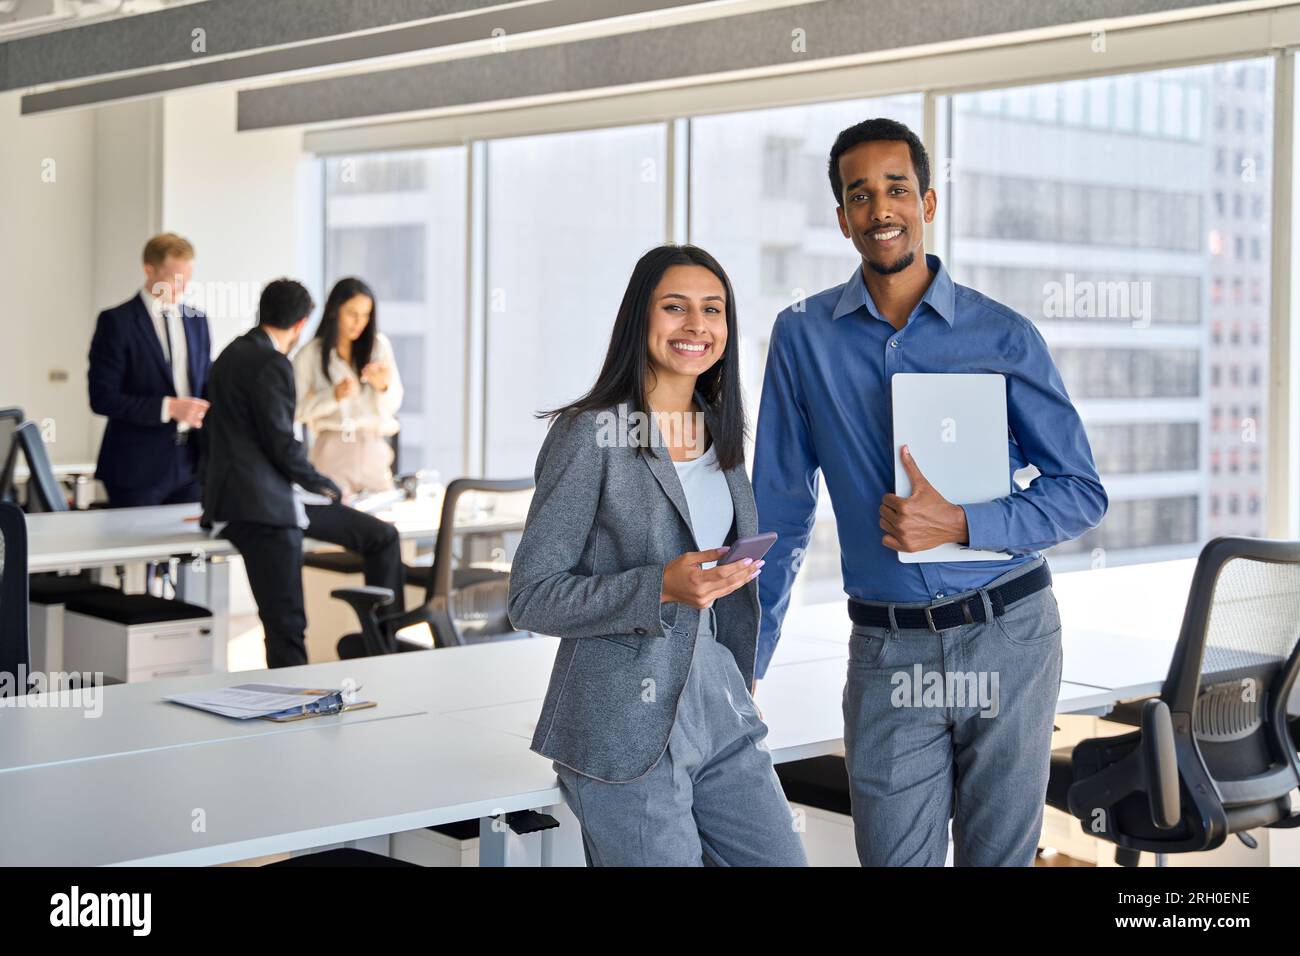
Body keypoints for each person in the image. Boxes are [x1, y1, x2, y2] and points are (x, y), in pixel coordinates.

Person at [751, 118, 1108, 867]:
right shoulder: (801, 337)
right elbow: (781, 511)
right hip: (889, 648)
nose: (881, 208)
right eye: (860, 194)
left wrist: (962, 522)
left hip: (1009, 634)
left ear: (928, 201)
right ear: (842, 216)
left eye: (897, 188)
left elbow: (1080, 492)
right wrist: (744, 660)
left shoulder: (1003, 335)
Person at [507, 244, 807, 867]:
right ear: (640, 319)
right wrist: (660, 587)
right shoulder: (590, 434)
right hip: (622, 722)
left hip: (719, 706)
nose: (697, 325)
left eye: (713, 310)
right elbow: (530, 597)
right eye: (676, 308)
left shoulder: (720, 432)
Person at [201, 279, 404, 668]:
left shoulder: (229, 355)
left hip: (252, 500)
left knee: (379, 536)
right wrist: (322, 483)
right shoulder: (273, 363)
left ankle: (379, 646)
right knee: (287, 625)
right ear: (302, 322)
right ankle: (376, 656)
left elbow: (213, 436)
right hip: (266, 508)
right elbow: (281, 441)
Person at [88, 233, 211, 507]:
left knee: (190, 548)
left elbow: (205, 382)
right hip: (136, 467)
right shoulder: (116, 322)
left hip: (191, 464)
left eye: (186, 278)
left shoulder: (197, 321)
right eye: (174, 278)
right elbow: (102, 398)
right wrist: (169, 408)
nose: (182, 287)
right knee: (137, 547)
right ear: (149, 269)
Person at [294, 277, 403, 496]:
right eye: (352, 313)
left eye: (365, 315)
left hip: (373, 450)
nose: (358, 322)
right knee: (334, 522)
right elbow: (295, 411)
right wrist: (332, 396)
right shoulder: (310, 354)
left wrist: (382, 386)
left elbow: (393, 406)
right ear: (334, 310)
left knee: (384, 523)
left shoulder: (379, 347)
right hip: (332, 451)